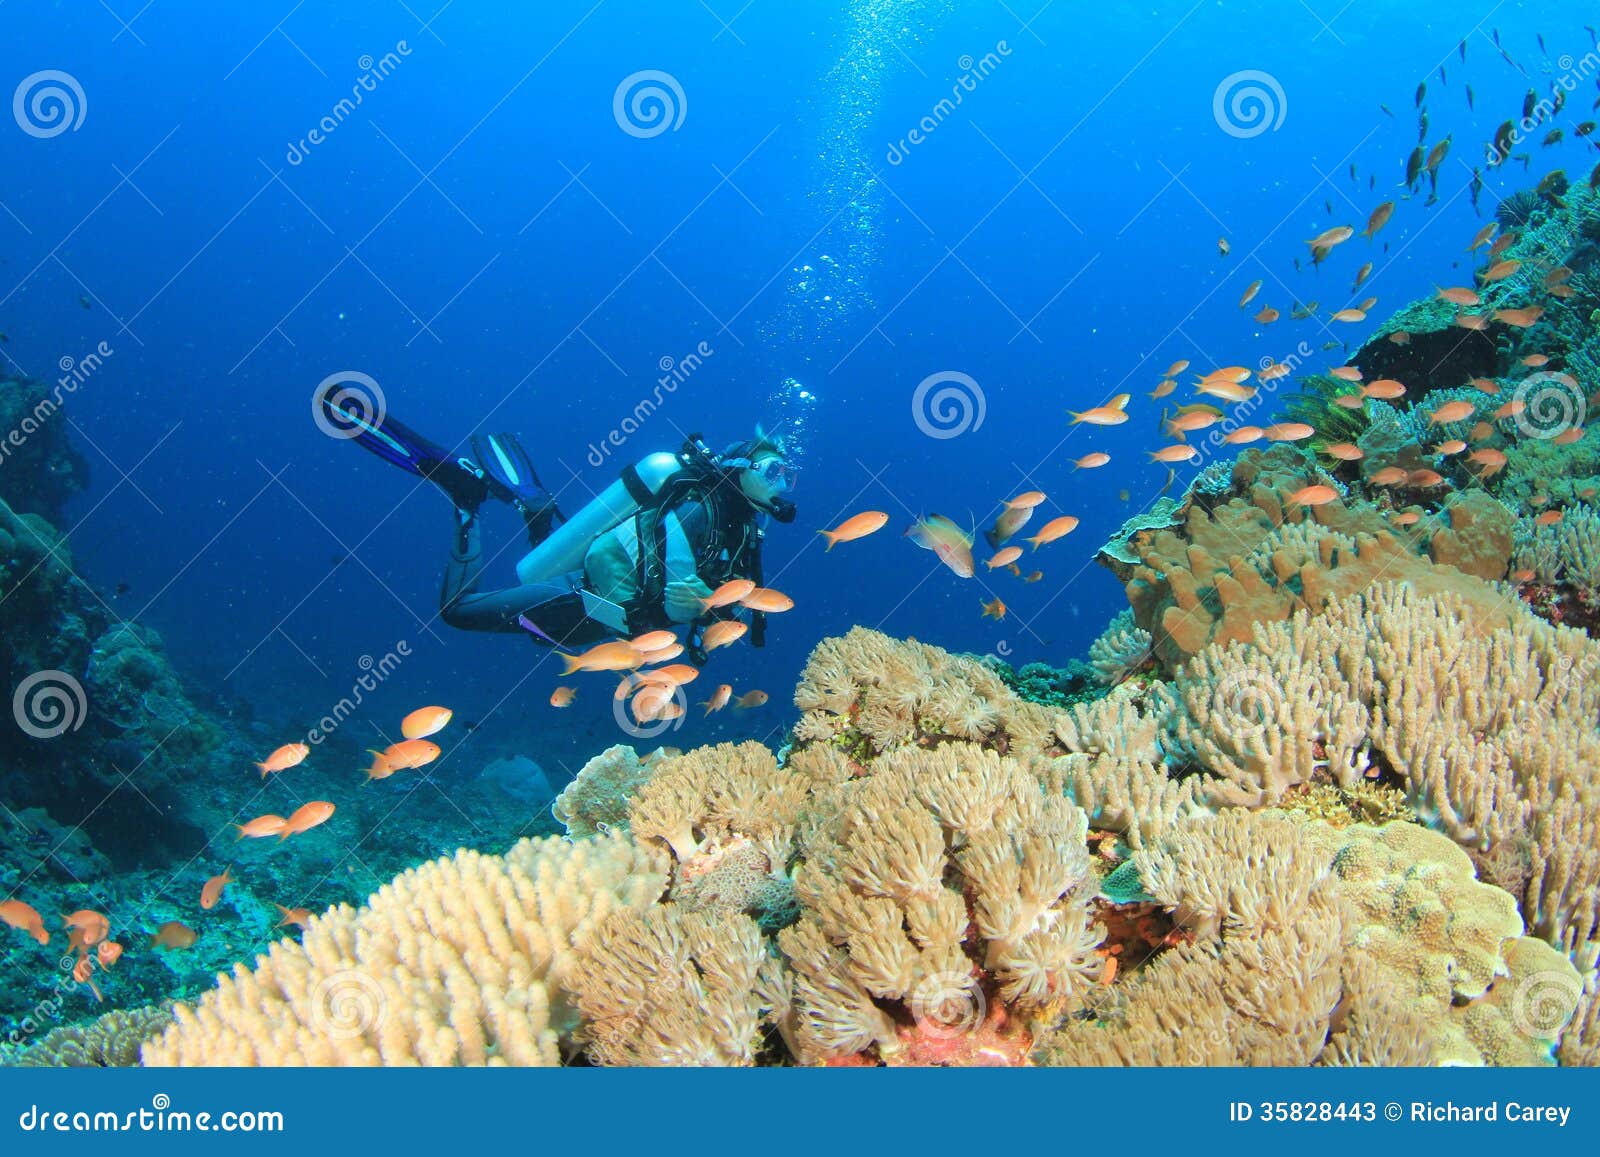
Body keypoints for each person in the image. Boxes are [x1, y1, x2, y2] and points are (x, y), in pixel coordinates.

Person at [318, 386, 797, 661]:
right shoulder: (698, 509)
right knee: (459, 613)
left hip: (605, 621)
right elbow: (626, 562)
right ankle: (467, 503)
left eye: (790, 476)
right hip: (583, 601)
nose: (783, 485)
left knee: (543, 559)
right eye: (775, 471)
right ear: (743, 470)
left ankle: (536, 506)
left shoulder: (743, 527)